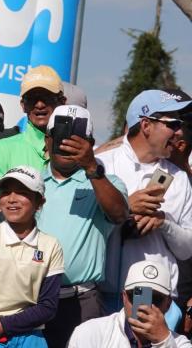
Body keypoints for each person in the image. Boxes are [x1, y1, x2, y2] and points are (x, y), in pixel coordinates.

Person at [34, 105, 128, 346]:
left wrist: (91, 168)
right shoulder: (29, 181)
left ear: (90, 144)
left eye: (78, 139)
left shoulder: (106, 182)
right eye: (61, 137)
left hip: (83, 300)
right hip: (31, 297)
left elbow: (119, 214)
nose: (67, 144)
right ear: (48, 139)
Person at [99, 90, 192, 316]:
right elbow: (82, 232)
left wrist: (163, 223)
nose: (179, 132)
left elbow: (187, 250)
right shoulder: (102, 164)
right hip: (104, 295)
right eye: (173, 124)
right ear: (146, 125)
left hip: (155, 299)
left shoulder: (178, 178)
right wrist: (125, 209)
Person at [0, 166, 64, 348]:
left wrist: (3, 324)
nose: (11, 199)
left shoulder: (51, 245)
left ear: (39, 202)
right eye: (5, 192)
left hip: (32, 337)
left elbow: (48, 307)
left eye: (22, 193)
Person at [0, 65, 66, 208]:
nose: (40, 104)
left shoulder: (76, 151)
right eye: (32, 98)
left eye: (47, 97)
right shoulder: (1, 149)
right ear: (23, 105)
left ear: (62, 101)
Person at [68, 259, 192, 347]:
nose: (146, 306)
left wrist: (163, 342)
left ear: (168, 304)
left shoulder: (181, 344)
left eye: (156, 298)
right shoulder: (90, 332)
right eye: (138, 295)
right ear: (124, 297)